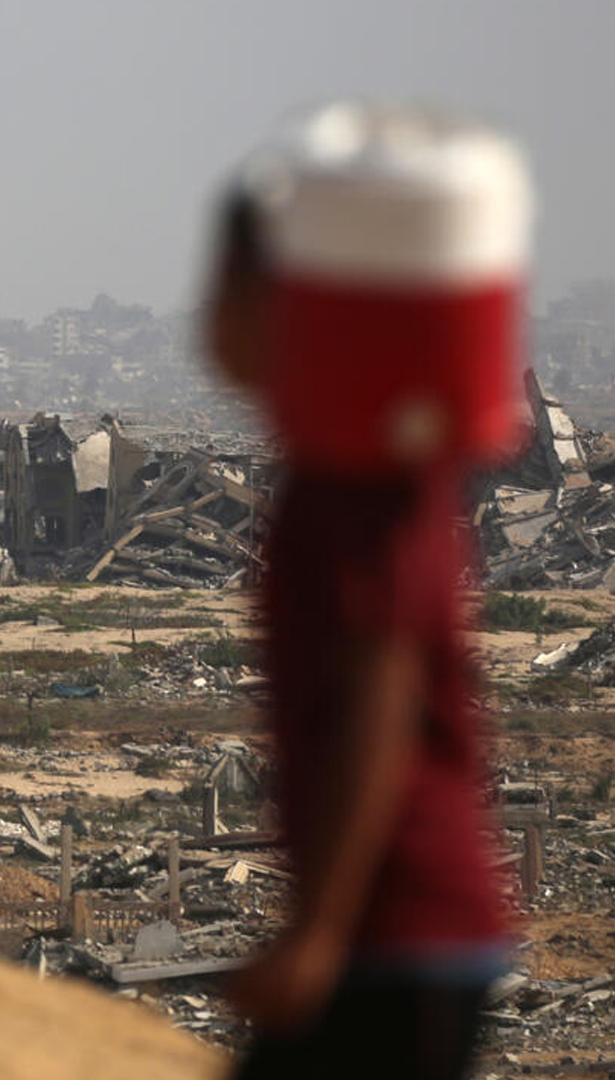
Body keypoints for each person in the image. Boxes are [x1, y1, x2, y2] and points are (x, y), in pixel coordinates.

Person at [204, 103, 533, 1080]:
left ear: (290, 309)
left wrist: (317, 934)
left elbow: (376, 712)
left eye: (226, 292)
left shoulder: (356, 496)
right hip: (404, 939)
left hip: (403, 937)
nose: (207, 320)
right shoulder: (357, 479)